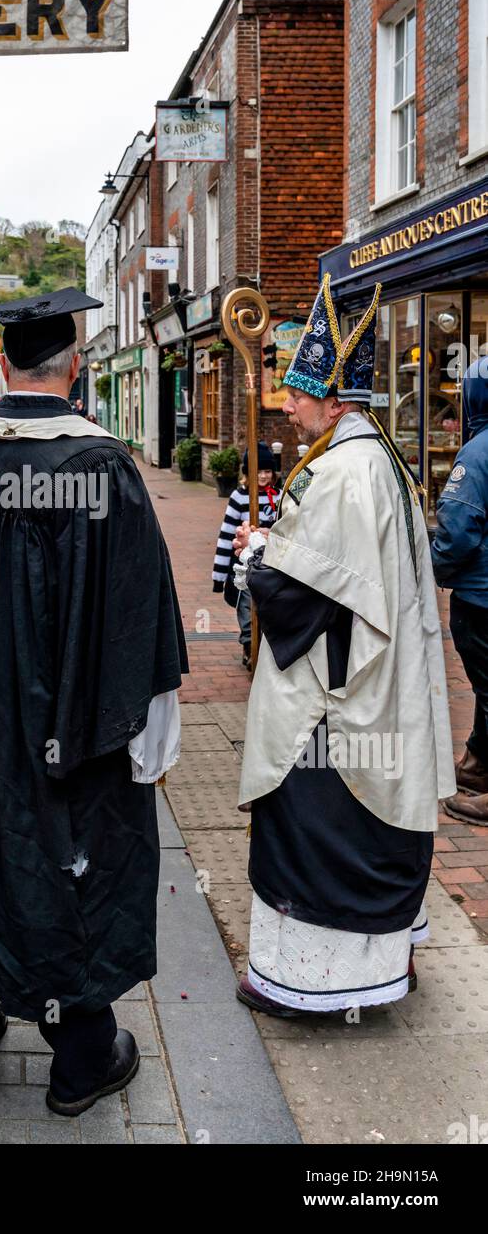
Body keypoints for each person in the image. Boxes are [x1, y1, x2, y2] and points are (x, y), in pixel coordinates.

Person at [0, 287, 188, 1115]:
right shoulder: (102, 468)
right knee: (69, 868)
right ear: (75, 366)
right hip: (69, 733)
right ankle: (81, 1059)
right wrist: (146, 724)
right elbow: (136, 613)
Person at [231, 275, 454, 1017]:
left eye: (298, 392)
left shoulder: (344, 472)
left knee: (318, 825)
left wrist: (256, 555)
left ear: (335, 401)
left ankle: (314, 984)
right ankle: (377, 966)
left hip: (332, 700)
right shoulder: (371, 456)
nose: (286, 405)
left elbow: (306, 596)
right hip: (369, 685)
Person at [431, 357, 488, 823]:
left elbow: (457, 531)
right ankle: (477, 764)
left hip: (481, 596)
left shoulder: (477, 453)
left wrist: (433, 568)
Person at [212, 442, 280, 665]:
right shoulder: (239, 497)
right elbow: (225, 537)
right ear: (247, 473)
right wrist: (219, 575)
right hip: (244, 563)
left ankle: (265, 644)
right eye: (258, 471)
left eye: (267, 471)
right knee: (246, 603)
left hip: (273, 562)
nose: (263, 476)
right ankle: (249, 644)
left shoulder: (278, 497)